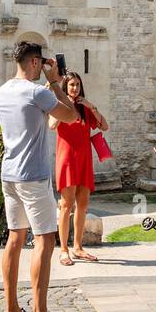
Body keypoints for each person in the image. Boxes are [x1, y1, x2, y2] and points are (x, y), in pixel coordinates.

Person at [0, 41, 81, 312]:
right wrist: (56, 83)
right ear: (34, 62)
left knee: (14, 237)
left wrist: (48, 86)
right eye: (40, 62)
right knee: (45, 240)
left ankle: (12, 311)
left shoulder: (3, 91)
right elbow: (71, 115)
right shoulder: (38, 92)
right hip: (34, 176)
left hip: (9, 173)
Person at [51, 71, 109, 266]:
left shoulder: (85, 109)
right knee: (66, 206)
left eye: (77, 84)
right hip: (67, 159)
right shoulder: (60, 105)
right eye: (71, 85)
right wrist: (64, 105)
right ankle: (63, 250)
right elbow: (52, 125)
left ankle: (77, 247)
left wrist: (91, 106)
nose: (75, 88)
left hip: (84, 160)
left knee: (83, 204)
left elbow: (104, 126)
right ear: (66, 87)